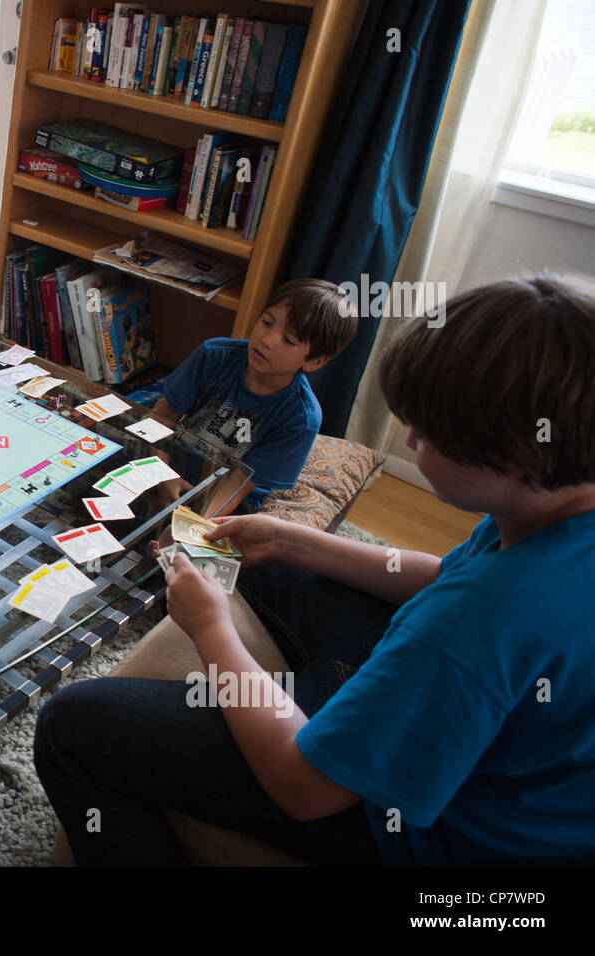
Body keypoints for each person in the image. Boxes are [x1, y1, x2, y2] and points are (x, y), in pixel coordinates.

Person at [34, 274, 595, 866]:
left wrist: (212, 632)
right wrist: (297, 542)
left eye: (426, 433)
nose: (408, 437)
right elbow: (441, 575)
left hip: (418, 834)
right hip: (446, 718)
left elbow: (305, 789)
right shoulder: (547, 510)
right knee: (257, 559)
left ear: (507, 453)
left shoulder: (475, 625)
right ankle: (319, 687)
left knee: (73, 725)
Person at [151, 279, 356, 514]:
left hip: (228, 493)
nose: (266, 340)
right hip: (171, 462)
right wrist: (163, 475)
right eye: (267, 322)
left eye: (288, 340)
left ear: (314, 361)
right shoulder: (212, 356)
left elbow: (238, 484)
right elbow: (160, 420)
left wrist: (192, 525)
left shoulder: (301, 417)